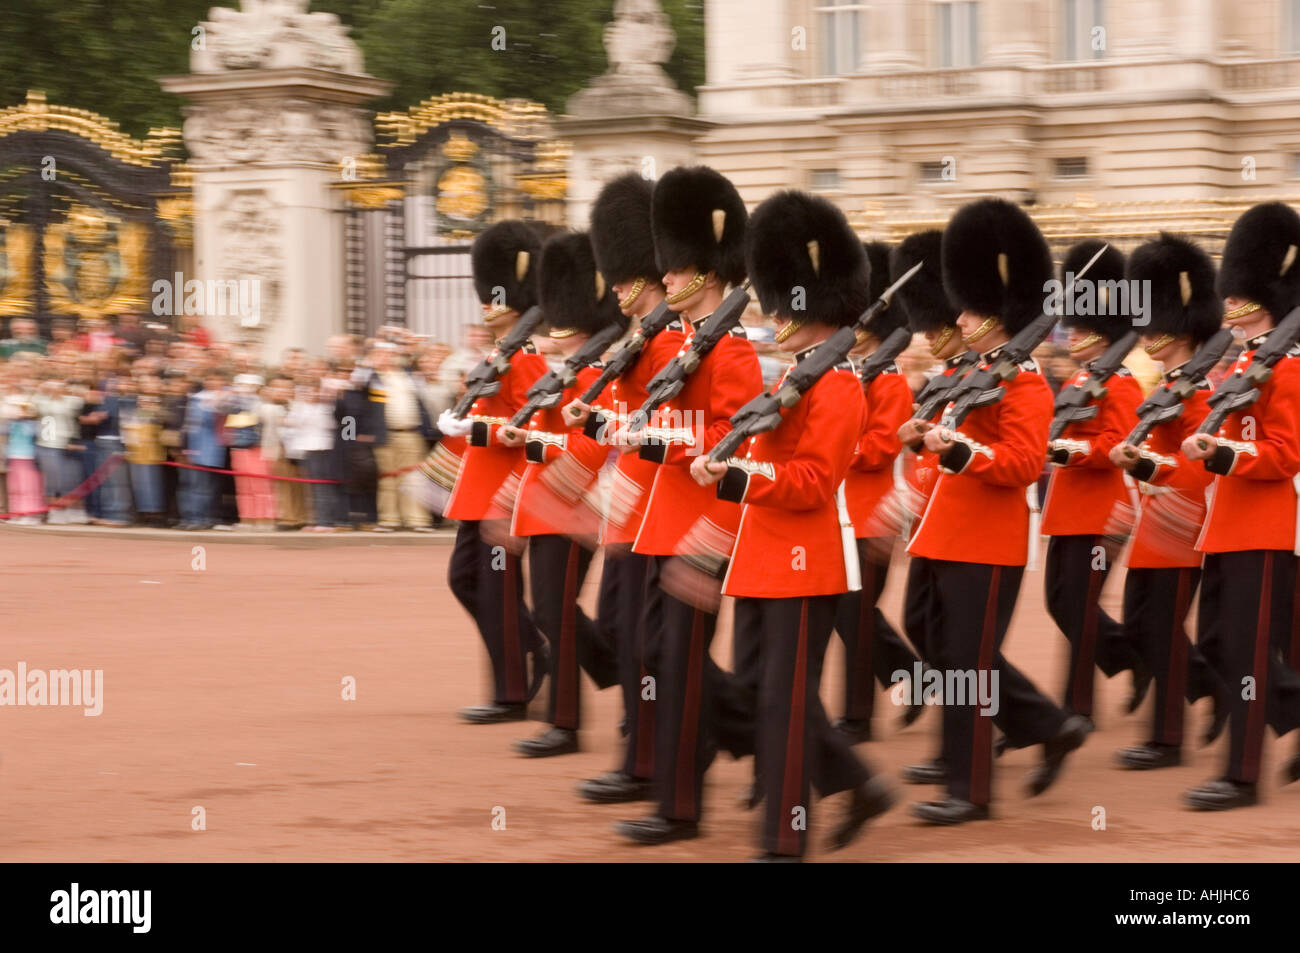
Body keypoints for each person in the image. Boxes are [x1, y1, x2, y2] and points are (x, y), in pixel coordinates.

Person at [691, 190, 895, 860]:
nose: (775, 314)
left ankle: (785, 836)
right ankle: (858, 783)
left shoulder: (837, 385)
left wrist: (739, 477)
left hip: (808, 561)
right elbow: (758, 455)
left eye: (785, 302)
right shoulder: (792, 379)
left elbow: (814, 481)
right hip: (760, 556)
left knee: (782, 702)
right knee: (769, 696)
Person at [900, 198, 1089, 824]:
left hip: (986, 542)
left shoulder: (1027, 382)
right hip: (941, 534)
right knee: (935, 642)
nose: (959, 317)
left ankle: (970, 788)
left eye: (972, 308)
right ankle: (1046, 723)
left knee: (966, 666)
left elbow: (1018, 465)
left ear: (999, 313)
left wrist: (957, 452)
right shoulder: (971, 374)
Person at [613, 165, 764, 845]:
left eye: (674, 269)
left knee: (674, 664)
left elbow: (728, 442)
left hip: (698, 527)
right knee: (660, 658)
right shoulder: (676, 341)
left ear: (706, 272)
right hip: (658, 525)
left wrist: (655, 437)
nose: (663, 277)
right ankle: (789, 740)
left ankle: (680, 806)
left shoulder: (732, 351)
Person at [1180, 202, 1300, 808]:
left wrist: (1222, 453)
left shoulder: (1288, 370)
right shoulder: (1248, 364)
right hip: (1227, 525)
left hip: (1265, 526)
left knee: (1248, 652)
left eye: (1238, 298)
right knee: (1221, 644)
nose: (1227, 306)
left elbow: (1284, 455)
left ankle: (1242, 774)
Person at [569, 172, 682, 803]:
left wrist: (620, 427)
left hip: (656, 507)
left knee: (647, 646)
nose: (614, 290)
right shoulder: (638, 338)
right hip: (627, 505)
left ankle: (647, 756)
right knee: (625, 637)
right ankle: (644, 745)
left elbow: (674, 424)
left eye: (623, 278)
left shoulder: (669, 342)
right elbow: (626, 416)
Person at [498, 231, 624, 756]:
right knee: (553, 612)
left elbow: (593, 440)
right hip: (545, 503)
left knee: (557, 612)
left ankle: (566, 723)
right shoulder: (566, 369)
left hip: (573, 506)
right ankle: (619, 670)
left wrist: (536, 447)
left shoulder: (595, 371)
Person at [1108, 233, 1228, 769]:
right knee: (1140, 625)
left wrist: (1145, 469)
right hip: (1154, 521)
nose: (1150, 337)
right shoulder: (1165, 384)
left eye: (1159, 328)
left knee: (1158, 625)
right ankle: (1214, 687)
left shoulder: (1200, 389)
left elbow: (1197, 462)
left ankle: (1167, 739)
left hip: (1182, 520)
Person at [438, 221, 549, 724]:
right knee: (464, 580)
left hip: (502, 491)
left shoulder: (525, 359)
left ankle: (511, 692)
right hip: (476, 489)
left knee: (499, 593)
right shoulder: (496, 354)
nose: (487, 303)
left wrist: (477, 427)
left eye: (496, 295)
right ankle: (533, 649)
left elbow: (533, 427)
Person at [1040, 241, 1148, 725]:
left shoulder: (1121, 384)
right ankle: (1140, 656)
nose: (1073, 335)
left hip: (1103, 510)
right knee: (1059, 604)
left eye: (1083, 329)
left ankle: (1077, 706)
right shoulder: (1076, 381)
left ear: (1105, 334)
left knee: (1079, 608)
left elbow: (1117, 446)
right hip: (1067, 508)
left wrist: (1066, 451)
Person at [832, 240, 921, 743]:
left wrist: (833, 449)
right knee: (852, 617)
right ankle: (913, 679)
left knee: (856, 620)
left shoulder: (888, 380)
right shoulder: (847, 374)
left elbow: (882, 446)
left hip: (870, 517)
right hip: (841, 513)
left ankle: (857, 717)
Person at [368, 343, 434, 532]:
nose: (386, 357)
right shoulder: (371, 377)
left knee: (414, 478)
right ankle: (389, 519)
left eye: (389, 353)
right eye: (380, 353)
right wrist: (352, 434)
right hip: (384, 433)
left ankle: (417, 519)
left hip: (411, 432)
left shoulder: (408, 375)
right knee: (387, 478)